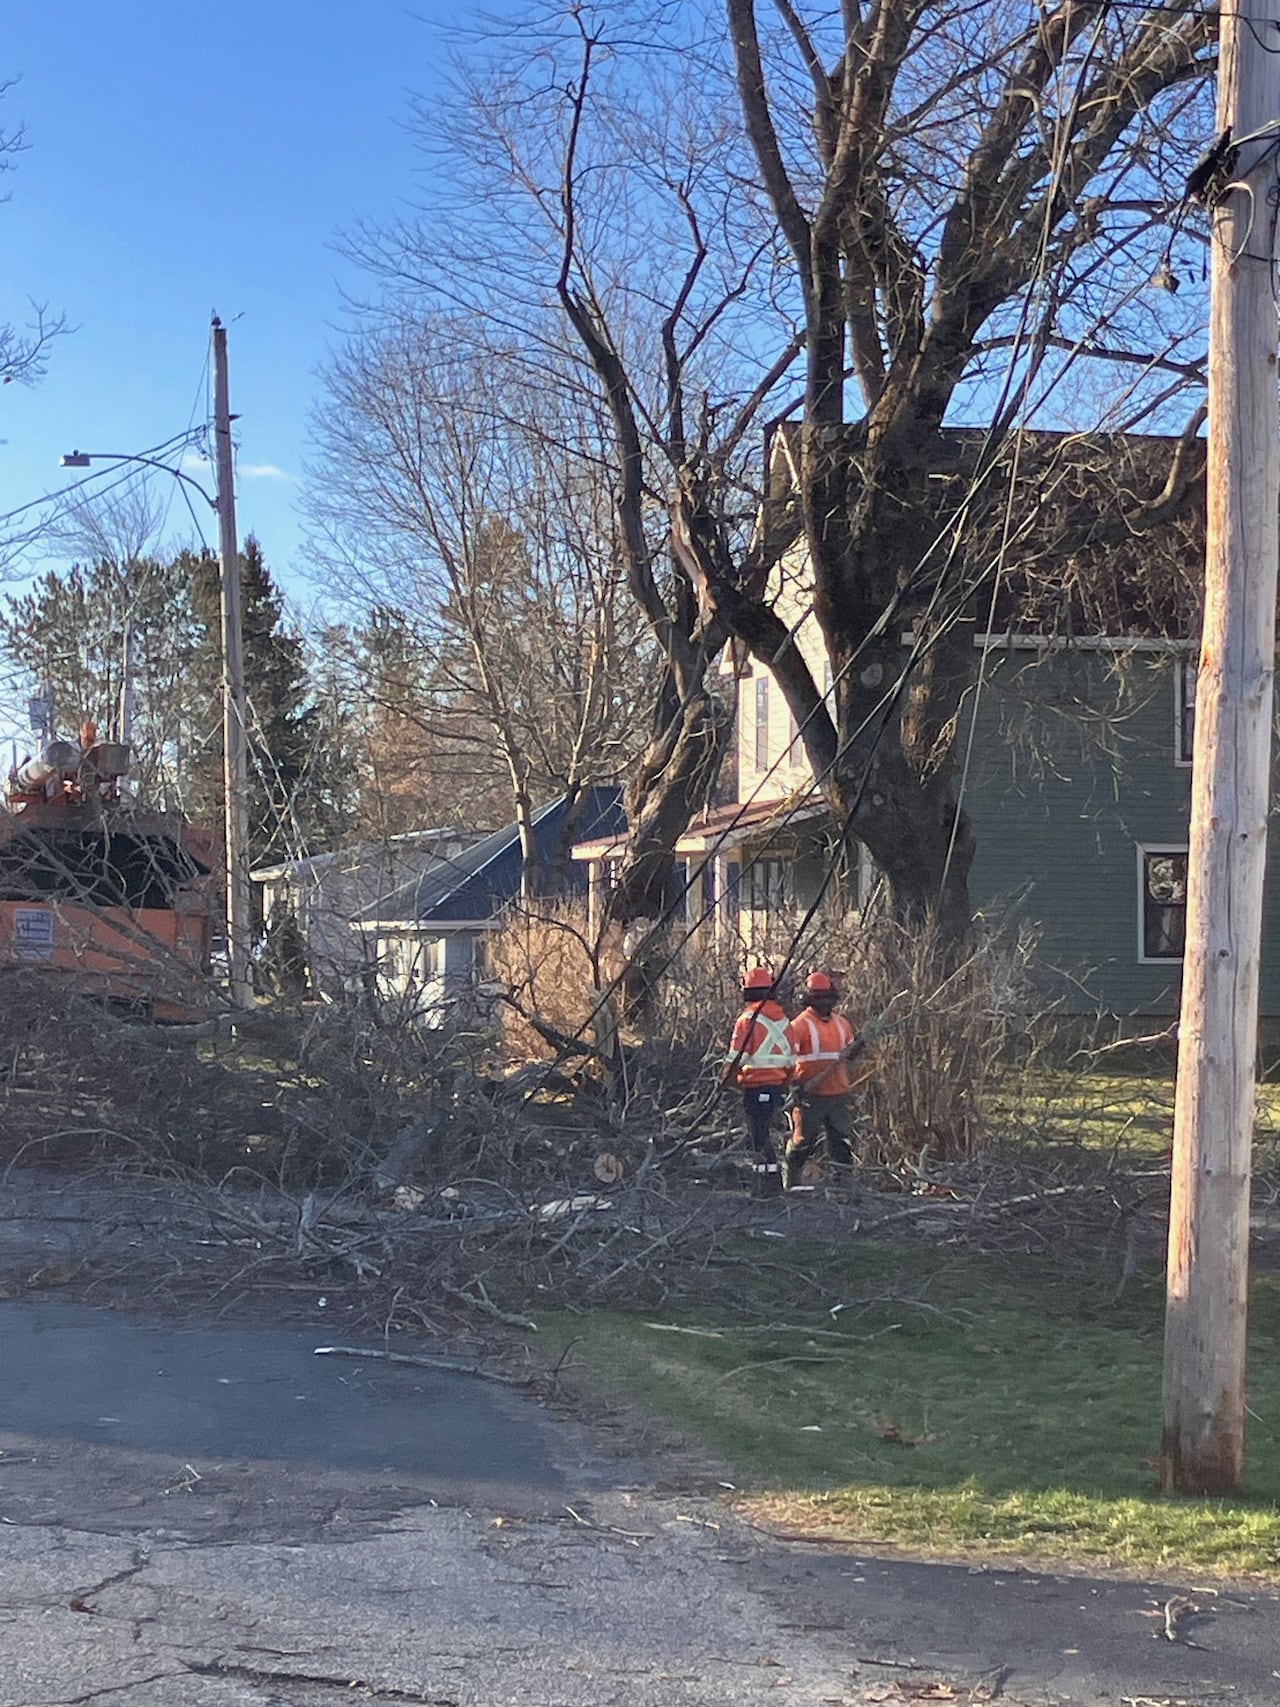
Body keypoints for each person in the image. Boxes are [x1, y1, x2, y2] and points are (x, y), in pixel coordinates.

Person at [784, 971, 865, 1191]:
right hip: (810, 1094)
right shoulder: (798, 1026)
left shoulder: (842, 1024)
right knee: (803, 1141)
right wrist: (794, 1087)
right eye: (818, 998)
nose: (824, 1003)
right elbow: (787, 1059)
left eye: (826, 998)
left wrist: (857, 1047)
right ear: (809, 1000)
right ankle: (792, 1181)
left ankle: (843, 1187)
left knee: (841, 1143)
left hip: (838, 1093)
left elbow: (850, 1054)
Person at [724, 965, 793, 1196]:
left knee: (759, 1136)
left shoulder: (747, 1020)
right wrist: (783, 1085)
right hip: (776, 1088)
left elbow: (736, 1058)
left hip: (755, 1087)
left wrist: (726, 1079)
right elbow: (791, 1062)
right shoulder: (784, 1021)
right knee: (762, 1135)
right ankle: (769, 1183)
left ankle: (766, 1186)